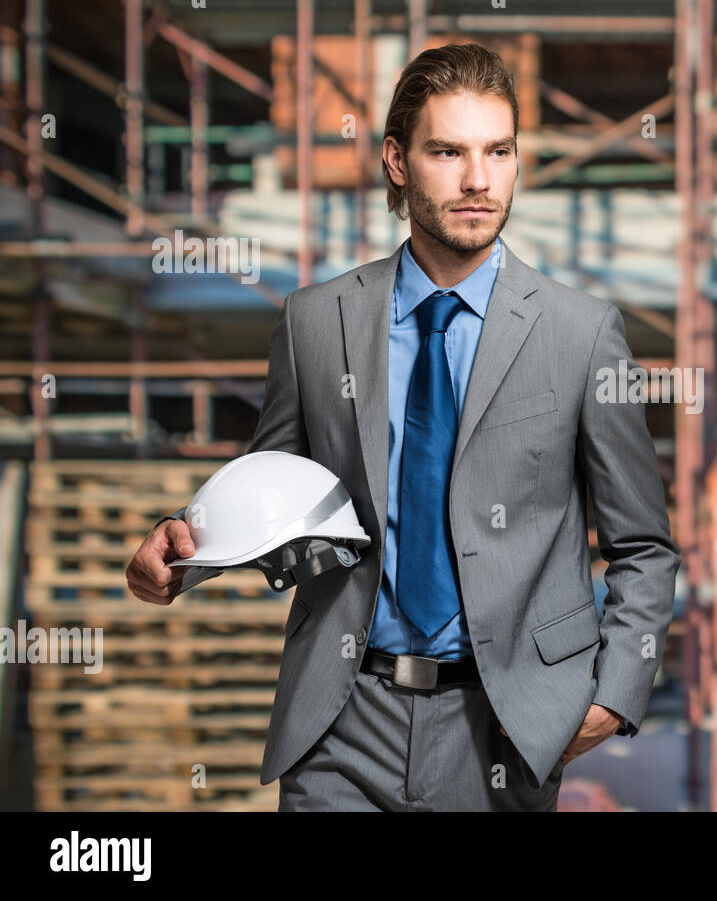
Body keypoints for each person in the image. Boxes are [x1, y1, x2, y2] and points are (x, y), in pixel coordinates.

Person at [125, 42, 681, 811]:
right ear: (397, 160)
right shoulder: (316, 323)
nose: (479, 179)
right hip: (342, 719)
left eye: (499, 151)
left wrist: (616, 690)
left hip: (502, 727)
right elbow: (276, 493)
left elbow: (644, 545)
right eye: (448, 151)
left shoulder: (580, 336)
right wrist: (182, 551)